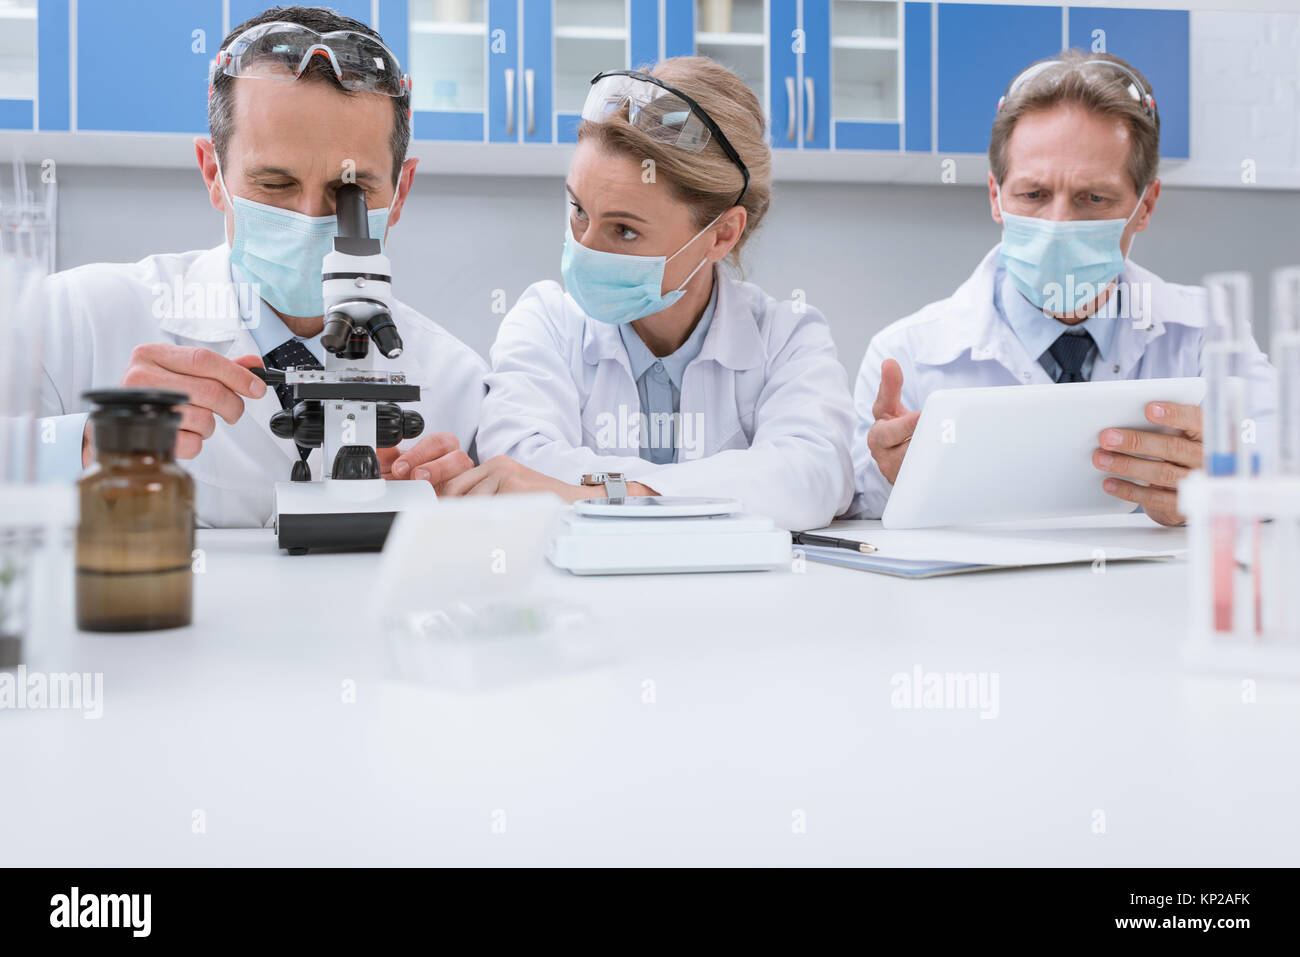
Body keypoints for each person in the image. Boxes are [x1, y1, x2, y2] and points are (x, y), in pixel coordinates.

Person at [35, 5, 484, 526]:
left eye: (351, 193)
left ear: (400, 192)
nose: (310, 218)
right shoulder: (78, 319)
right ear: (212, 174)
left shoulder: (459, 384)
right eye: (274, 185)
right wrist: (90, 443)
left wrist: (453, 527)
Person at [851, 51, 1276, 525]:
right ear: (996, 196)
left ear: (1146, 205)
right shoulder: (907, 354)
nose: (1057, 225)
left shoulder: (1204, 335)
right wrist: (892, 482)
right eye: (1033, 195)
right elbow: (853, 515)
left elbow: (1283, 468)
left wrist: (1227, 485)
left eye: (1093, 198)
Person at [462, 58, 855, 531]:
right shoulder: (545, 322)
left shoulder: (788, 336)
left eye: (625, 231)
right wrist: (722, 492)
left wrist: (613, 496)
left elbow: (811, 477)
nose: (584, 249)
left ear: (722, 234)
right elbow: (518, 468)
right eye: (579, 210)